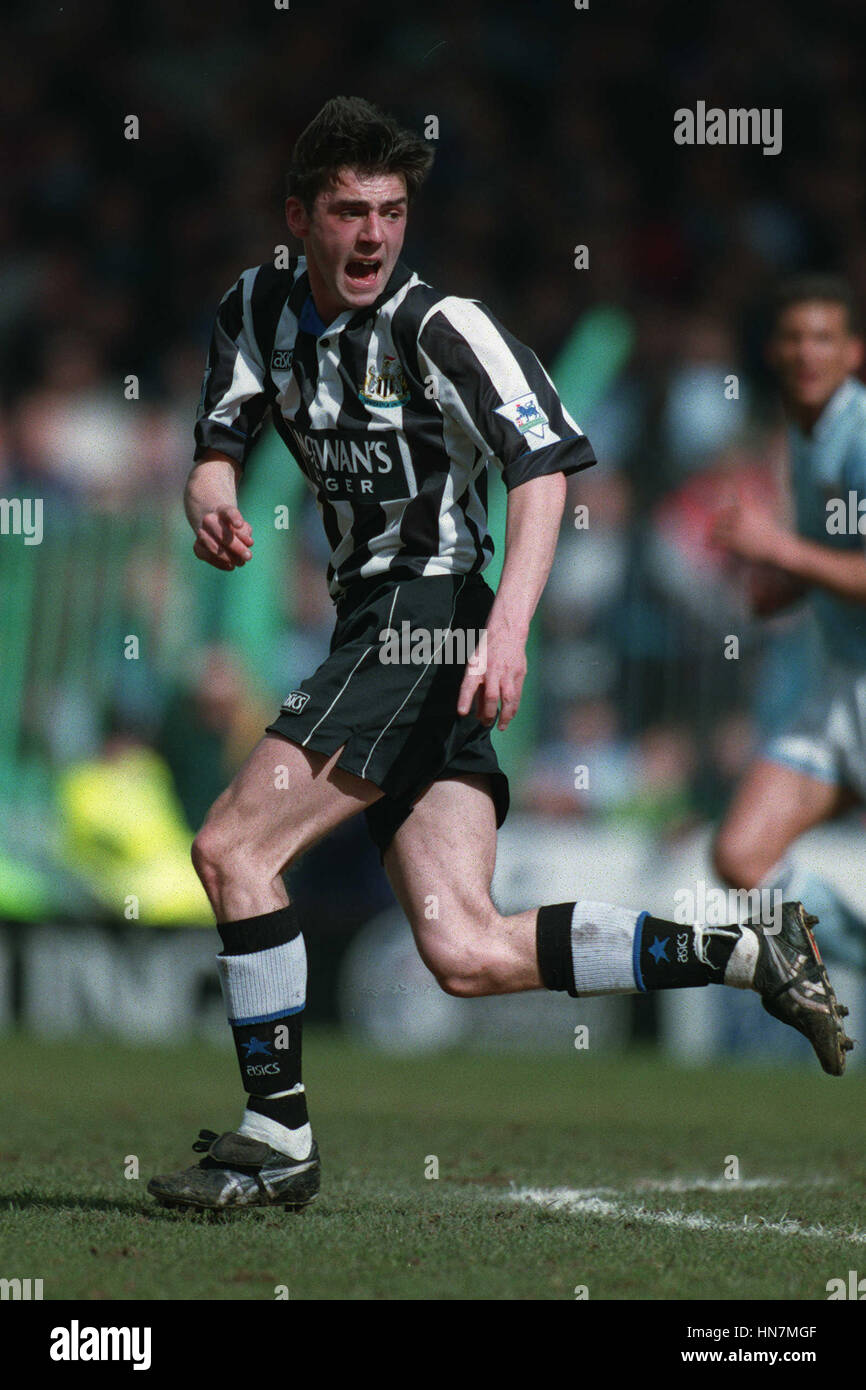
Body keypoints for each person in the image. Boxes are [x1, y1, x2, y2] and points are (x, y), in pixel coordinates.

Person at [148, 101, 852, 1214]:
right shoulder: (255, 307)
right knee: (465, 948)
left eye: (391, 210)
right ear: (299, 217)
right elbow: (223, 429)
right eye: (347, 211)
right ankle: (735, 953)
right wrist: (210, 483)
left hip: (426, 620)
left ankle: (275, 1134)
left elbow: (542, 468)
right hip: (372, 630)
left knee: (233, 849)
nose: (373, 234)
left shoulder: (445, 327)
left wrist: (509, 625)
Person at [712, 275, 866, 975]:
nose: (809, 352)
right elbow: (833, 558)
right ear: (775, 350)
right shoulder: (805, 433)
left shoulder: (858, 439)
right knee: (742, 857)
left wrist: (779, 549)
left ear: (853, 351)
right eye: (796, 337)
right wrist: (778, 583)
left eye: (825, 338)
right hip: (839, 688)